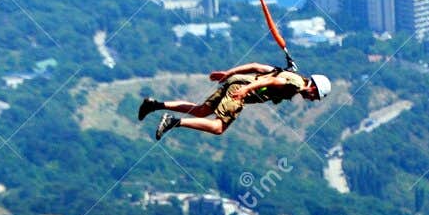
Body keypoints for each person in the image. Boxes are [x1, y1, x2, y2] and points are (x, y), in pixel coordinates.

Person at [138, 63, 331, 140]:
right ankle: (173, 121)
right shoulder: (296, 85)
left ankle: (154, 105)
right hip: (240, 90)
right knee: (218, 127)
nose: (312, 99)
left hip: (235, 82)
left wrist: (229, 73)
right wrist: (246, 89)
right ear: (313, 87)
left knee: (201, 111)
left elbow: (257, 66)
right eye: (315, 96)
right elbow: (272, 80)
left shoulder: (290, 75)